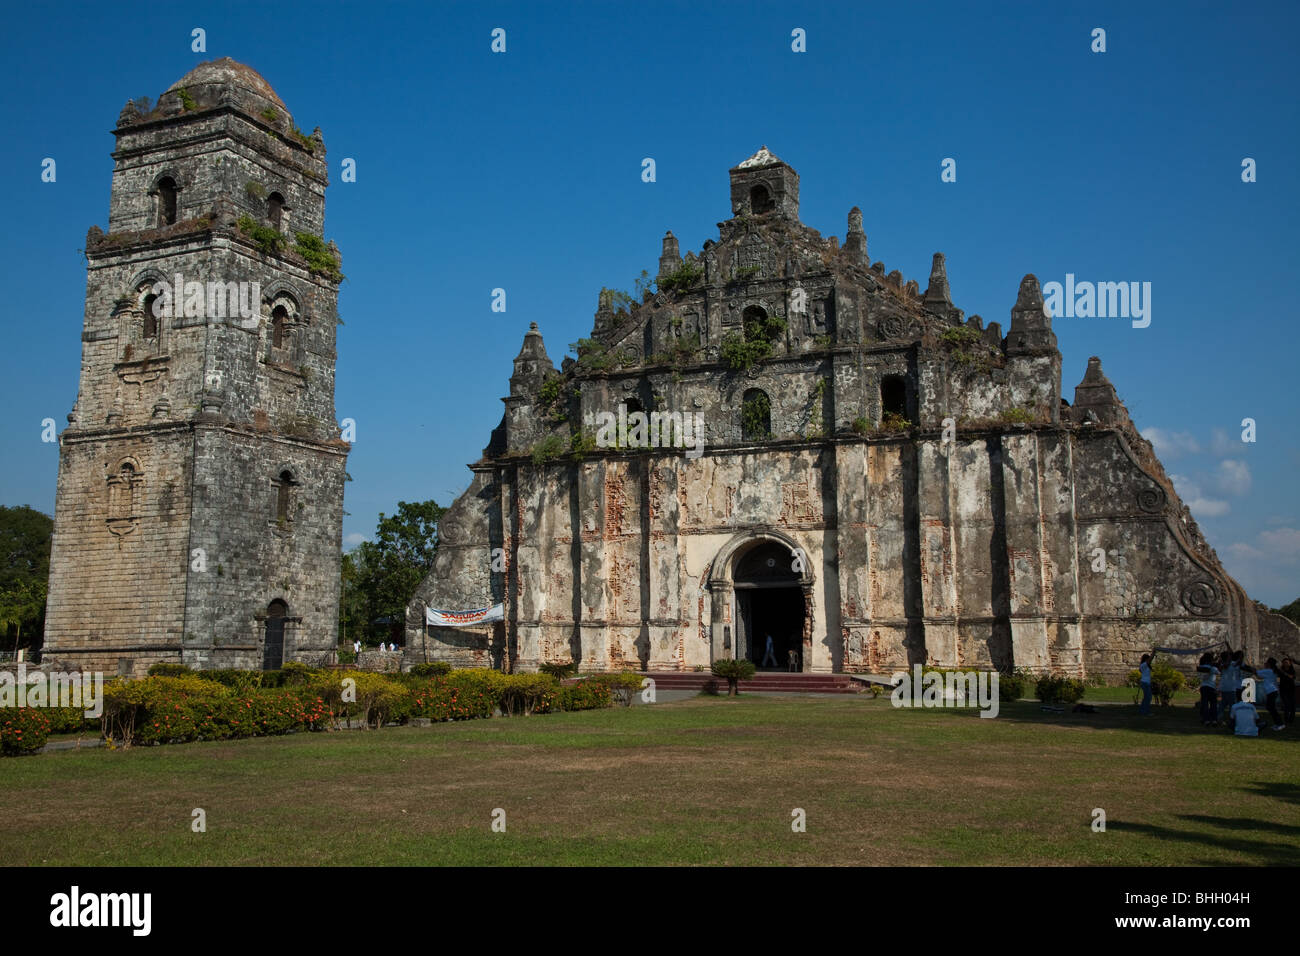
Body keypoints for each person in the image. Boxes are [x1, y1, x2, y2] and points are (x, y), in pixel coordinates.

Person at [1254, 657, 1285, 731]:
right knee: (1270, 708)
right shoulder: (1271, 671)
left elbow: (1257, 673)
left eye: (1266, 662)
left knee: (1271, 708)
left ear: (1269, 664)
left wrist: (1252, 670)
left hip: (1272, 692)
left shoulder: (1268, 671)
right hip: (1272, 692)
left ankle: (1280, 724)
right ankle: (1278, 723)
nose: (1265, 663)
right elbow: (1259, 676)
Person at [1196, 652, 1219, 726]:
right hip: (1211, 687)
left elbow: (1199, 676)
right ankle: (1214, 719)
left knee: (1205, 704)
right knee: (1213, 704)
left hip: (1203, 687)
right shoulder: (1213, 668)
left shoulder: (1201, 667)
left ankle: (1206, 719)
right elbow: (1218, 672)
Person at [1280, 658, 1297, 725]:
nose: (1285, 664)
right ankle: (1286, 720)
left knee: (1293, 706)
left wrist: (1284, 673)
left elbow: (1292, 677)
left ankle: (1291, 720)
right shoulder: (1281, 670)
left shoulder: (1292, 670)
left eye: (1287, 662)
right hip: (1283, 690)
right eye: (1284, 662)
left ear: (1289, 663)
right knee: (1286, 705)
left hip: (1291, 689)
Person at [1138, 652, 1153, 716]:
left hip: (1146, 682)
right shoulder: (1143, 665)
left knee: (1147, 697)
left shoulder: (1145, 665)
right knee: (1148, 697)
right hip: (1145, 683)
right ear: (1146, 659)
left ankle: (1143, 711)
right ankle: (1145, 712)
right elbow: (1150, 660)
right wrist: (1154, 652)